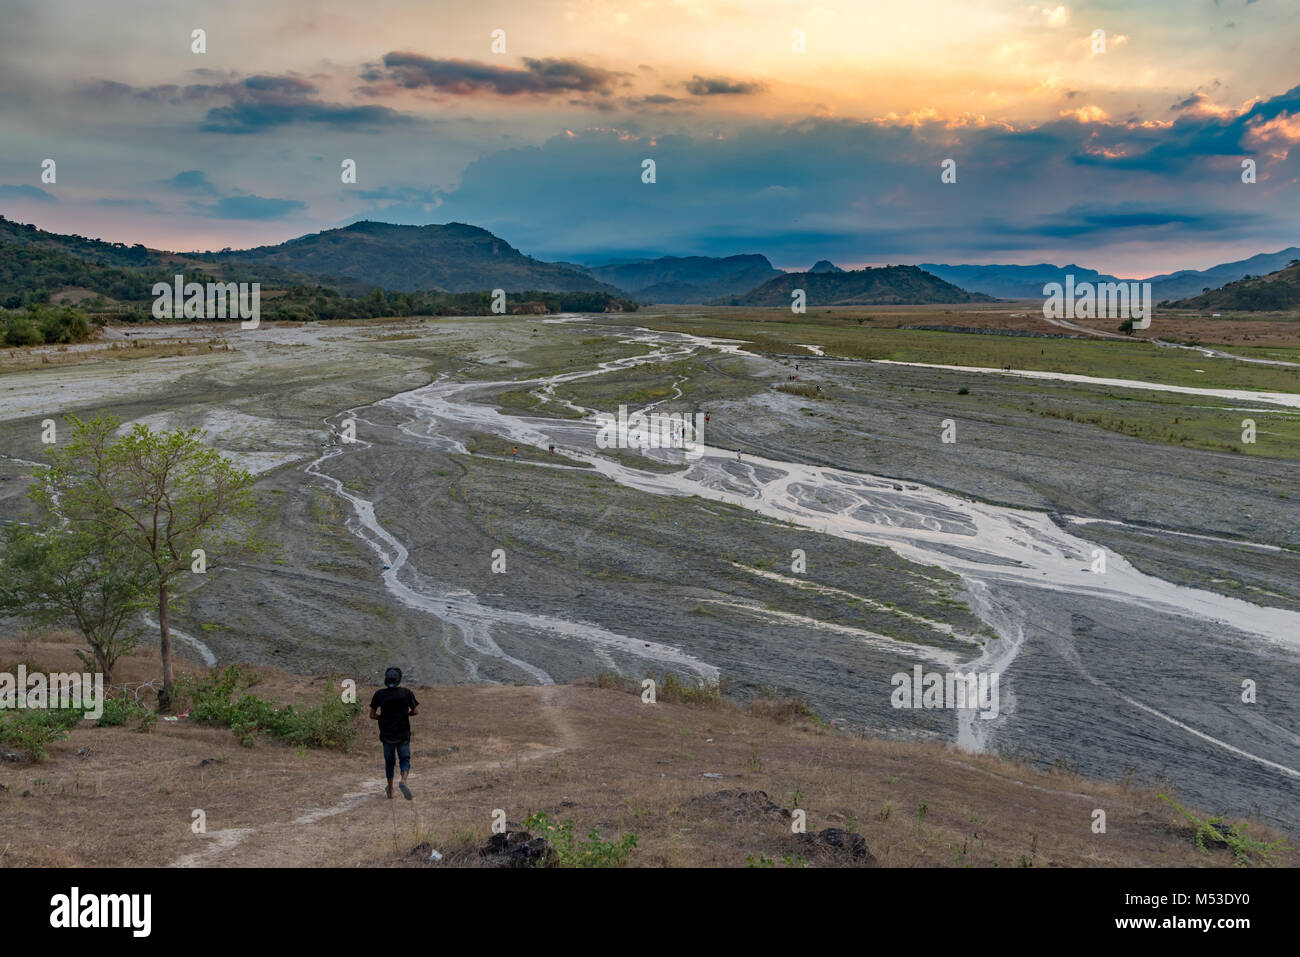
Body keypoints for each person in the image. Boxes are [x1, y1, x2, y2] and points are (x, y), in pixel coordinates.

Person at [370, 667, 419, 800]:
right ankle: (403, 780)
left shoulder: (379, 694)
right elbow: (415, 711)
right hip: (403, 733)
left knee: (389, 762)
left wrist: (382, 717)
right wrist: (406, 714)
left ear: (386, 680)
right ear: (399, 680)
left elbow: (372, 715)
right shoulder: (406, 693)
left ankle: (390, 789)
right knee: (405, 759)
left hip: (387, 734)